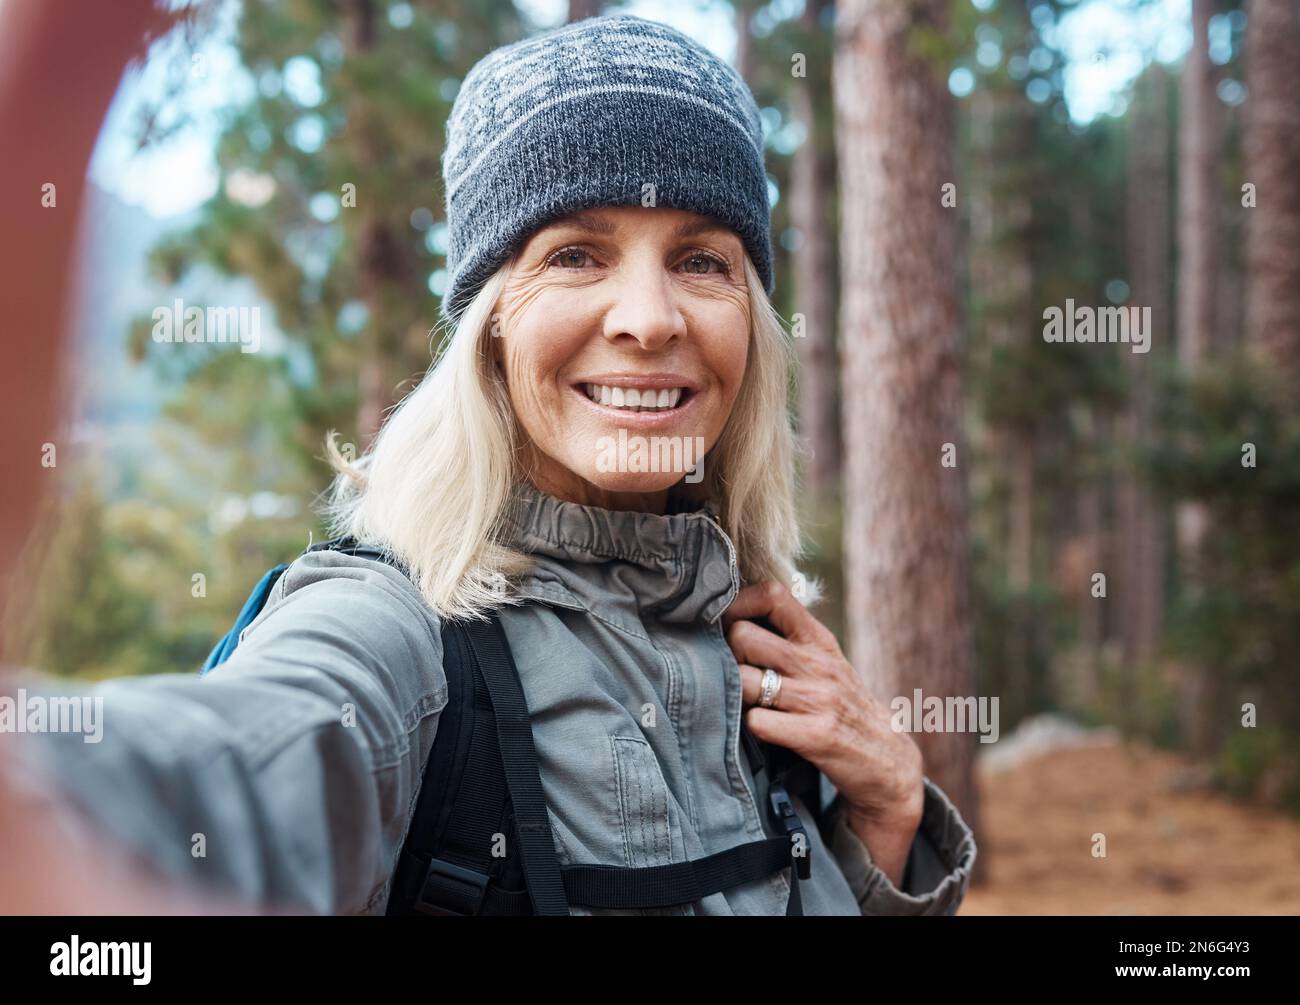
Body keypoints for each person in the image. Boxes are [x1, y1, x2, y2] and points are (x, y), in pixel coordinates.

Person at [7, 12, 975, 915]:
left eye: (702, 260)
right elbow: (210, 775)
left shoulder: (756, 649)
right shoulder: (395, 637)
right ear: (490, 323)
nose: (648, 318)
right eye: (575, 255)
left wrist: (886, 821)